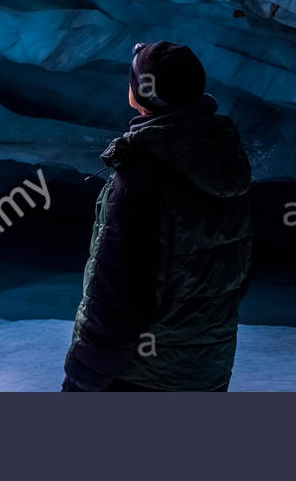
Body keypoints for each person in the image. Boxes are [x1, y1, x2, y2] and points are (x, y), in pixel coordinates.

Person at [62, 41, 252, 391]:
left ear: (142, 94)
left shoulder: (143, 176)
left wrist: (84, 376)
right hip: (204, 373)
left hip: (138, 378)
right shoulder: (225, 165)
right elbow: (233, 277)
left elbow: (120, 295)